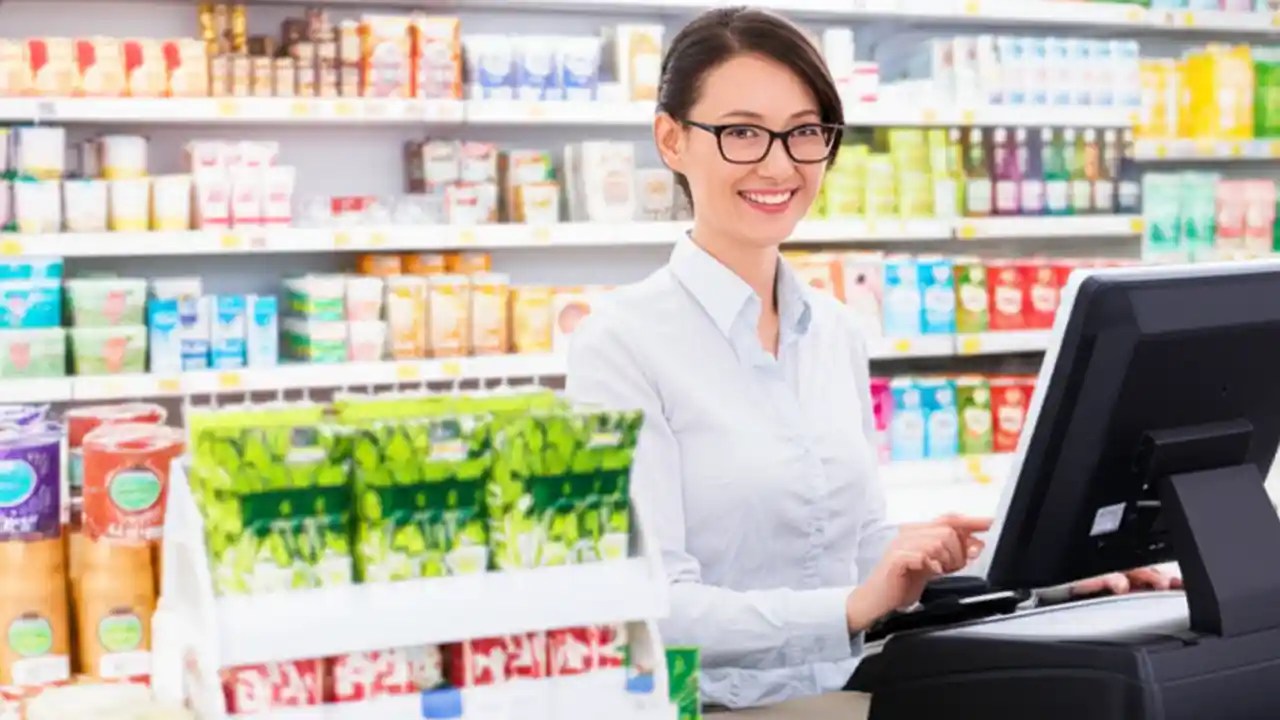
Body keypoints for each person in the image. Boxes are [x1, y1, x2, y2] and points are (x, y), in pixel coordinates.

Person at [565, 6, 1180, 712]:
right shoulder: (620, 344)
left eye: (804, 133)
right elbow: (650, 610)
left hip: (850, 690)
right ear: (671, 140)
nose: (778, 163)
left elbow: (845, 549)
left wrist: (1037, 569)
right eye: (741, 132)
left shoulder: (832, 330)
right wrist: (852, 609)